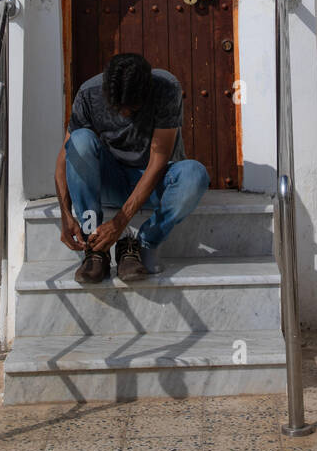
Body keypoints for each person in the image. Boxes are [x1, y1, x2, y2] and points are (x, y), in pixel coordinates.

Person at [55, 52, 209, 285]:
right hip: (111, 181)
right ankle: (94, 245)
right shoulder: (89, 93)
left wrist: (119, 224)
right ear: (106, 92)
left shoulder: (166, 88)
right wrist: (65, 214)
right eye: (118, 107)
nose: (124, 113)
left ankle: (144, 242)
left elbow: (158, 163)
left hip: (154, 184)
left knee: (195, 174)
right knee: (79, 140)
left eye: (132, 108)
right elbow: (65, 158)